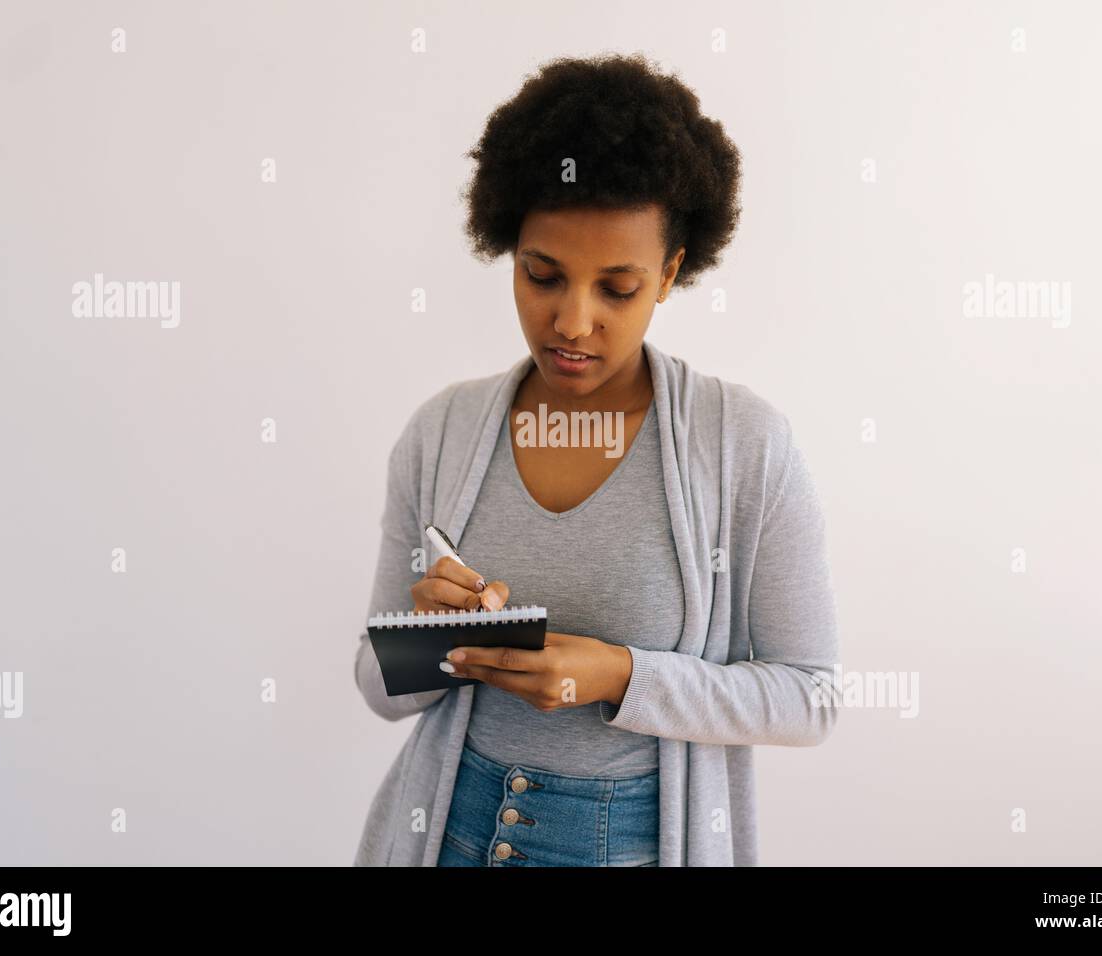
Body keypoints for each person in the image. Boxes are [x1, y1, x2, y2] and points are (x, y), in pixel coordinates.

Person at [355, 52, 840, 867]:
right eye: (542, 275)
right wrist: (433, 640)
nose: (572, 321)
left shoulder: (744, 444)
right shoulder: (441, 433)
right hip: (451, 835)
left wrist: (622, 675)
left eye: (616, 288)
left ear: (671, 274)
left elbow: (811, 696)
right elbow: (376, 686)